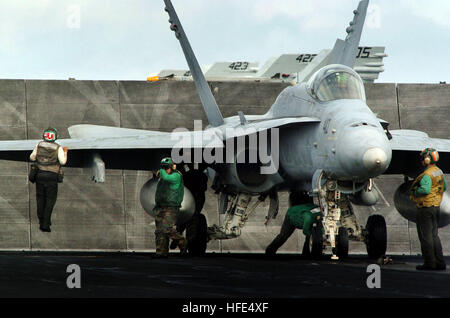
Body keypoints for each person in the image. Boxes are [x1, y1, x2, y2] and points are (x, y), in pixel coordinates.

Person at [410, 148, 447, 270]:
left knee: (426, 237)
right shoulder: (438, 171)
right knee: (434, 235)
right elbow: (444, 187)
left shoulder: (427, 175)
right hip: (436, 207)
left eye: (423, 158)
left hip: (425, 208)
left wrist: (415, 191)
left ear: (427, 159)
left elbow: (425, 190)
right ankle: (440, 262)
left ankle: (429, 263)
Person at [29, 127, 68, 232]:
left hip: (40, 175)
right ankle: (45, 224)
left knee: (40, 199)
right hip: (52, 176)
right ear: (55, 136)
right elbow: (63, 162)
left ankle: (41, 219)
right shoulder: (58, 147)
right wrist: (65, 153)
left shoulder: (39, 145)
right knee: (50, 200)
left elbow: (32, 157)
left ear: (44, 135)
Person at [265, 191, 321, 256]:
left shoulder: (318, 213)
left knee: (311, 235)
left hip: (301, 208)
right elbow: (305, 230)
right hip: (292, 217)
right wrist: (316, 237)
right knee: (283, 235)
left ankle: (307, 254)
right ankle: (269, 251)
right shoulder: (310, 216)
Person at [153, 157, 187, 258]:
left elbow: (166, 178)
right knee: (160, 231)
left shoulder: (176, 176)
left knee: (166, 229)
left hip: (171, 207)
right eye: (163, 167)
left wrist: (161, 171)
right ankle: (161, 253)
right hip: (160, 207)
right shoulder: (162, 178)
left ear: (172, 167)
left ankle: (182, 241)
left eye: (166, 167)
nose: (164, 169)